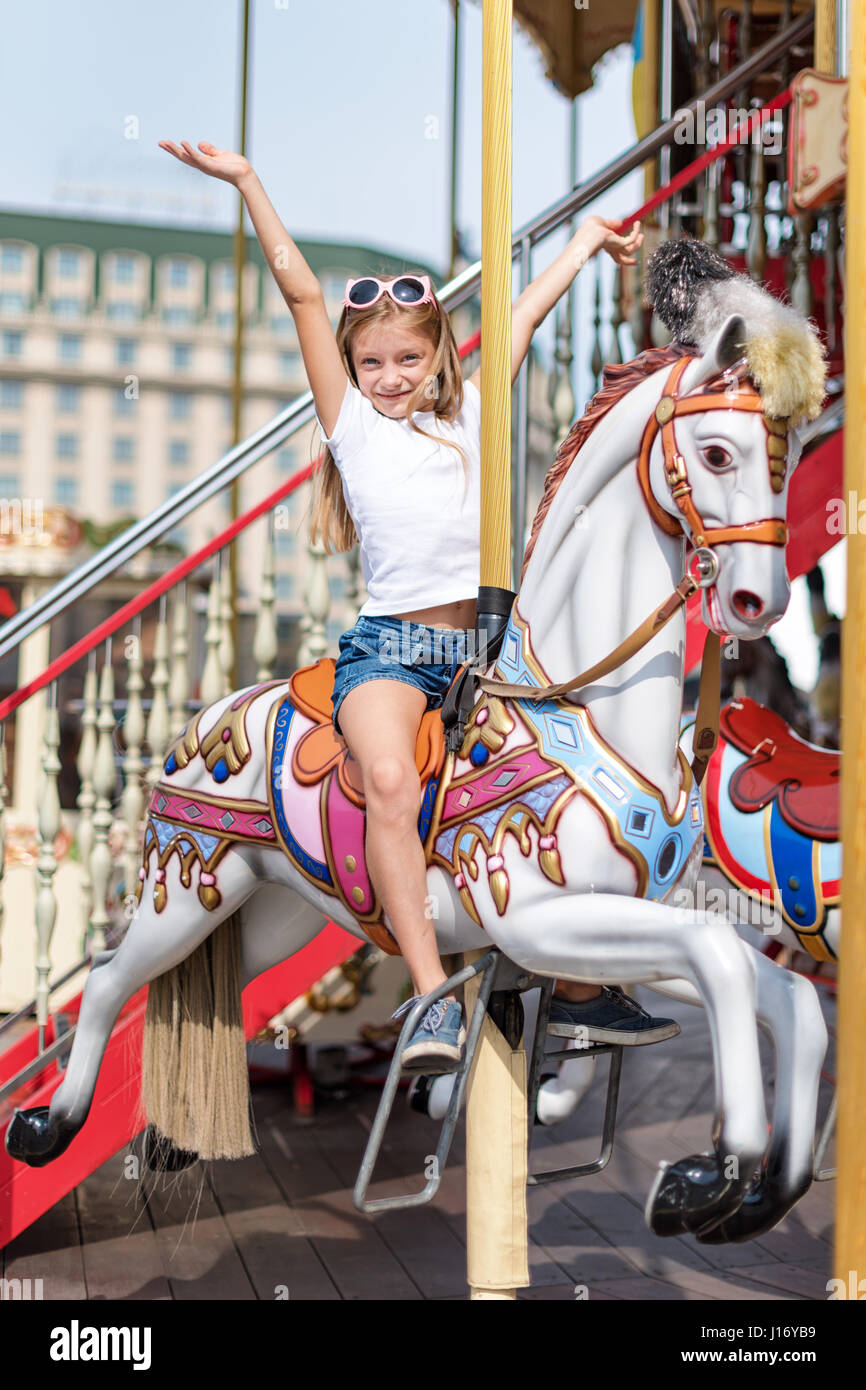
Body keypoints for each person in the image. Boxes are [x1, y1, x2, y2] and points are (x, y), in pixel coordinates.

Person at [158, 137, 676, 1070]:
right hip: (393, 654)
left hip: (490, 647)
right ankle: (433, 993)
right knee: (393, 783)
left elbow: (518, 317)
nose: (390, 376)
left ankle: (580, 986)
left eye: (406, 357)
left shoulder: (469, 416)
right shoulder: (353, 430)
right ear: (352, 372)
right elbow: (303, 294)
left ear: (436, 355)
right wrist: (248, 182)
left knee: (576, 774)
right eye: (373, 363)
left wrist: (588, 240)